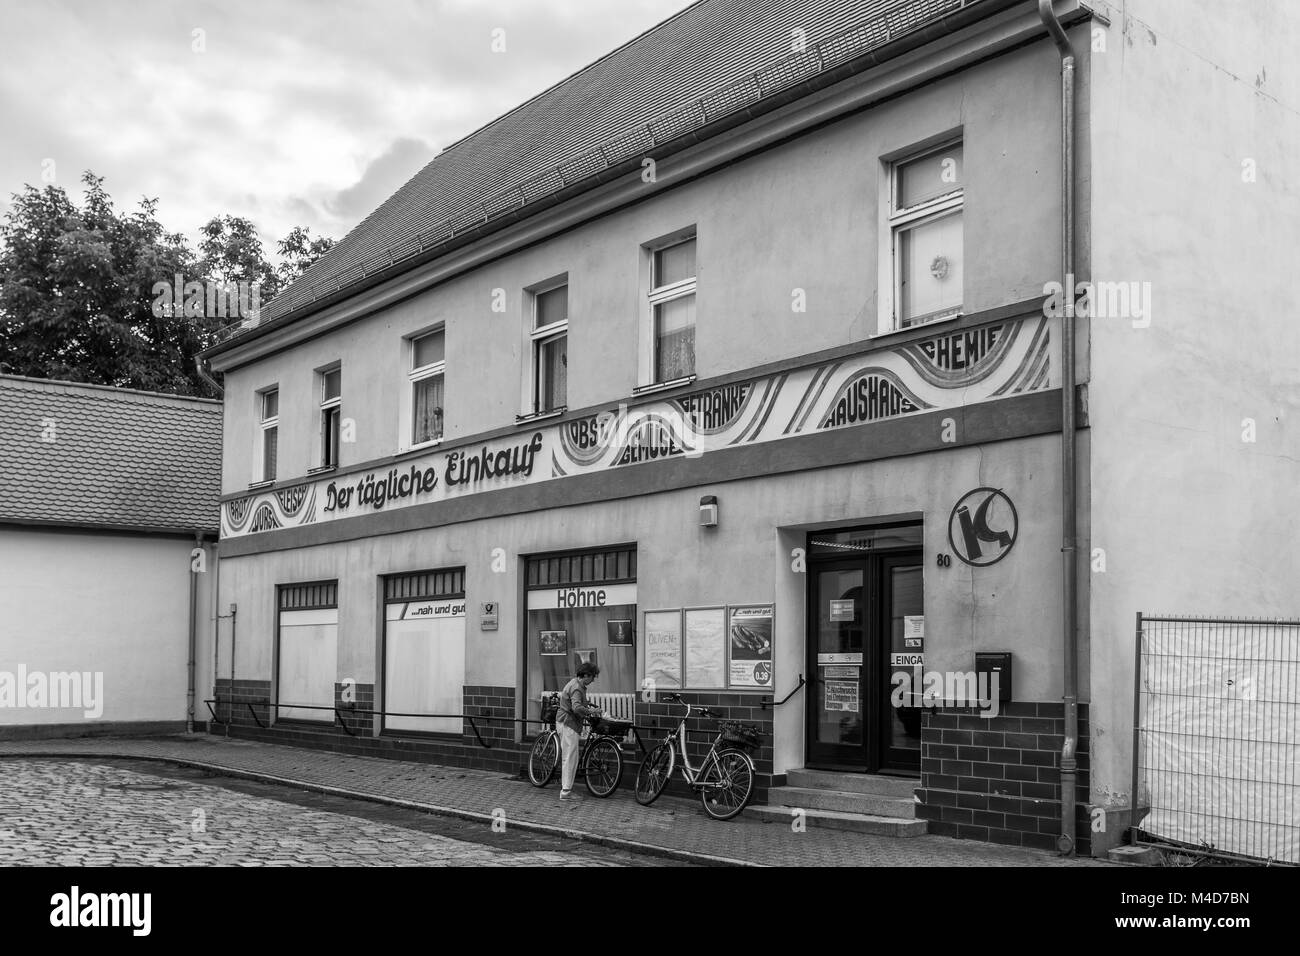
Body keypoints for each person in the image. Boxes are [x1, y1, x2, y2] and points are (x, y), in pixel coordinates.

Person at [556, 661, 601, 801]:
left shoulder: (574, 683)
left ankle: (566, 789)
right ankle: (566, 792)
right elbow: (576, 707)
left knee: (569, 757)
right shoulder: (577, 688)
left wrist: (587, 705)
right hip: (569, 723)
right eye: (592, 676)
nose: (593, 680)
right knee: (570, 758)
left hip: (564, 721)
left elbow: (576, 703)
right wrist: (591, 711)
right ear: (586, 675)